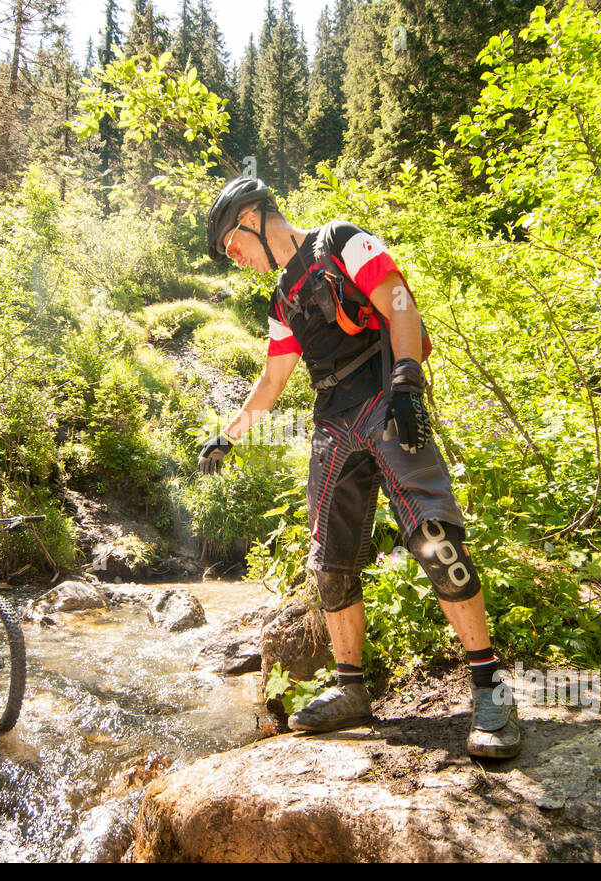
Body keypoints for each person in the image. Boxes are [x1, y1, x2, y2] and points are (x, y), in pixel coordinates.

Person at [199, 176, 521, 758]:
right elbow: (273, 380)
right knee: (327, 562)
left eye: (231, 244)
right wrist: (226, 437)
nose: (234, 258)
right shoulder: (282, 298)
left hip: (385, 399)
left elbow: (399, 302)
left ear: (252, 215)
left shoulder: (340, 240)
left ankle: (489, 687)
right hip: (332, 423)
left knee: (432, 535)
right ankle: (350, 691)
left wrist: (406, 381)